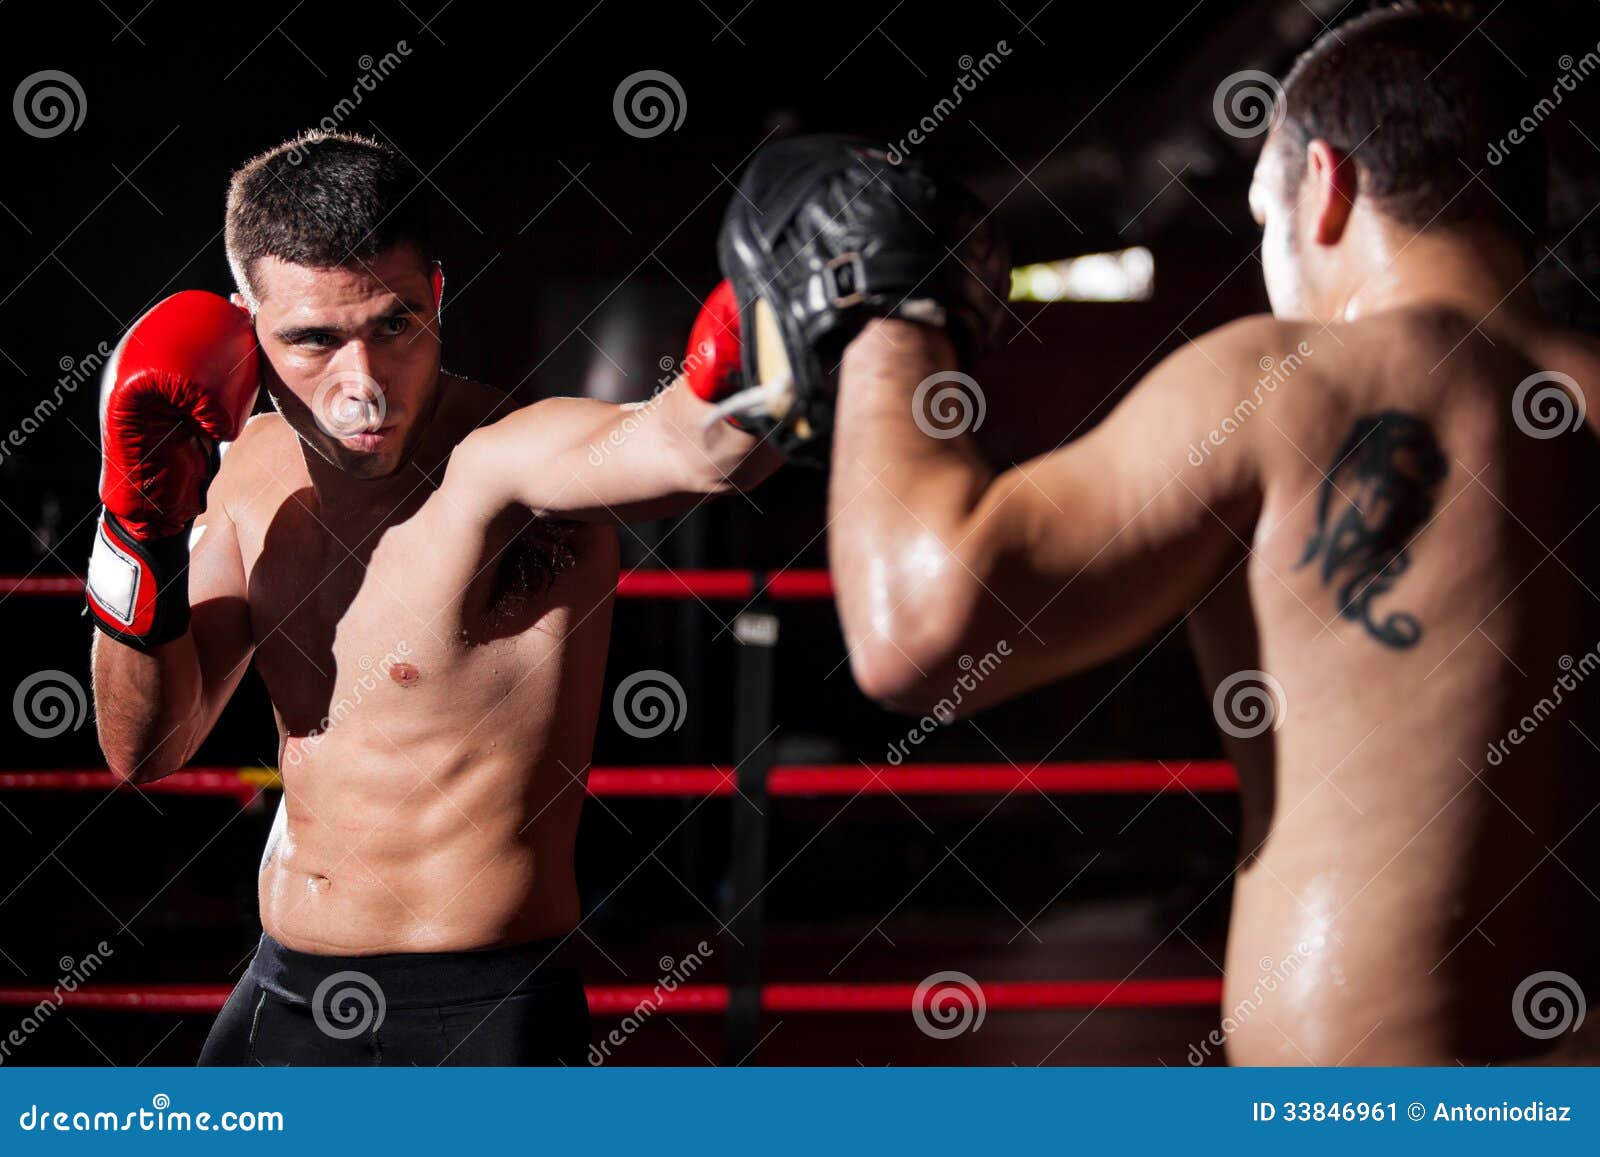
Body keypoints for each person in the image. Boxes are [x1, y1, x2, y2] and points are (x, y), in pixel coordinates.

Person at [725, 6, 1600, 1063]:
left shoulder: (1292, 382)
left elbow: (915, 627)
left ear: (1323, 187)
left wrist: (882, 312)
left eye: (1260, 218)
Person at [87, 130, 779, 1065]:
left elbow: (695, 447)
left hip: (475, 1008)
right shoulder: (245, 475)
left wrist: (771, 324)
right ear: (247, 322)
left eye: (395, 324)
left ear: (438, 296)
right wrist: (134, 521)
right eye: (313, 341)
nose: (362, 385)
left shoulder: (502, 460)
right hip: (280, 990)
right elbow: (144, 745)